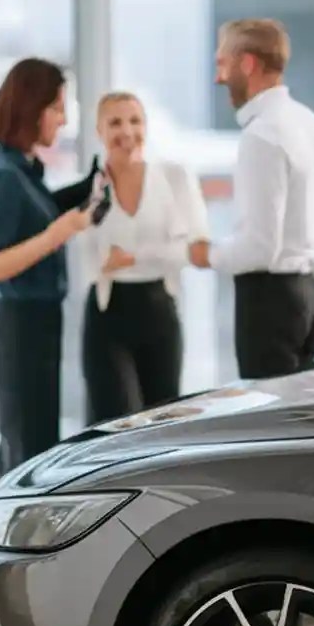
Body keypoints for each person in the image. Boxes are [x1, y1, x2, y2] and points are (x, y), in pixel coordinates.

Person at [189, 18, 314, 379]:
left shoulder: (261, 136)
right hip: (309, 295)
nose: (219, 77)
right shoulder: (310, 123)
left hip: (269, 303)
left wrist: (205, 254)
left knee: (268, 424)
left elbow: (259, 249)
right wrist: (296, 242)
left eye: (222, 64)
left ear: (247, 63)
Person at [0, 57, 96, 478]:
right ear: (33, 109)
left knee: (31, 445)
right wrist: (59, 233)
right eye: (57, 108)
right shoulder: (5, 177)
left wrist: (88, 191)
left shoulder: (24, 168)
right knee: (26, 453)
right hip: (20, 332)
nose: (63, 120)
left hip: (39, 328)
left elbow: (38, 214)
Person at [80, 92, 209, 423]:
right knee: (116, 421)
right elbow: (86, 260)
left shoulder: (174, 177)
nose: (127, 130)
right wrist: (118, 262)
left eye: (135, 121)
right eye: (115, 122)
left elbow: (194, 250)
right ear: (99, 131)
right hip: (108, 313)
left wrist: (133, 258)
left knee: (161, 423)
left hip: (159, 310)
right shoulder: (89, 189)